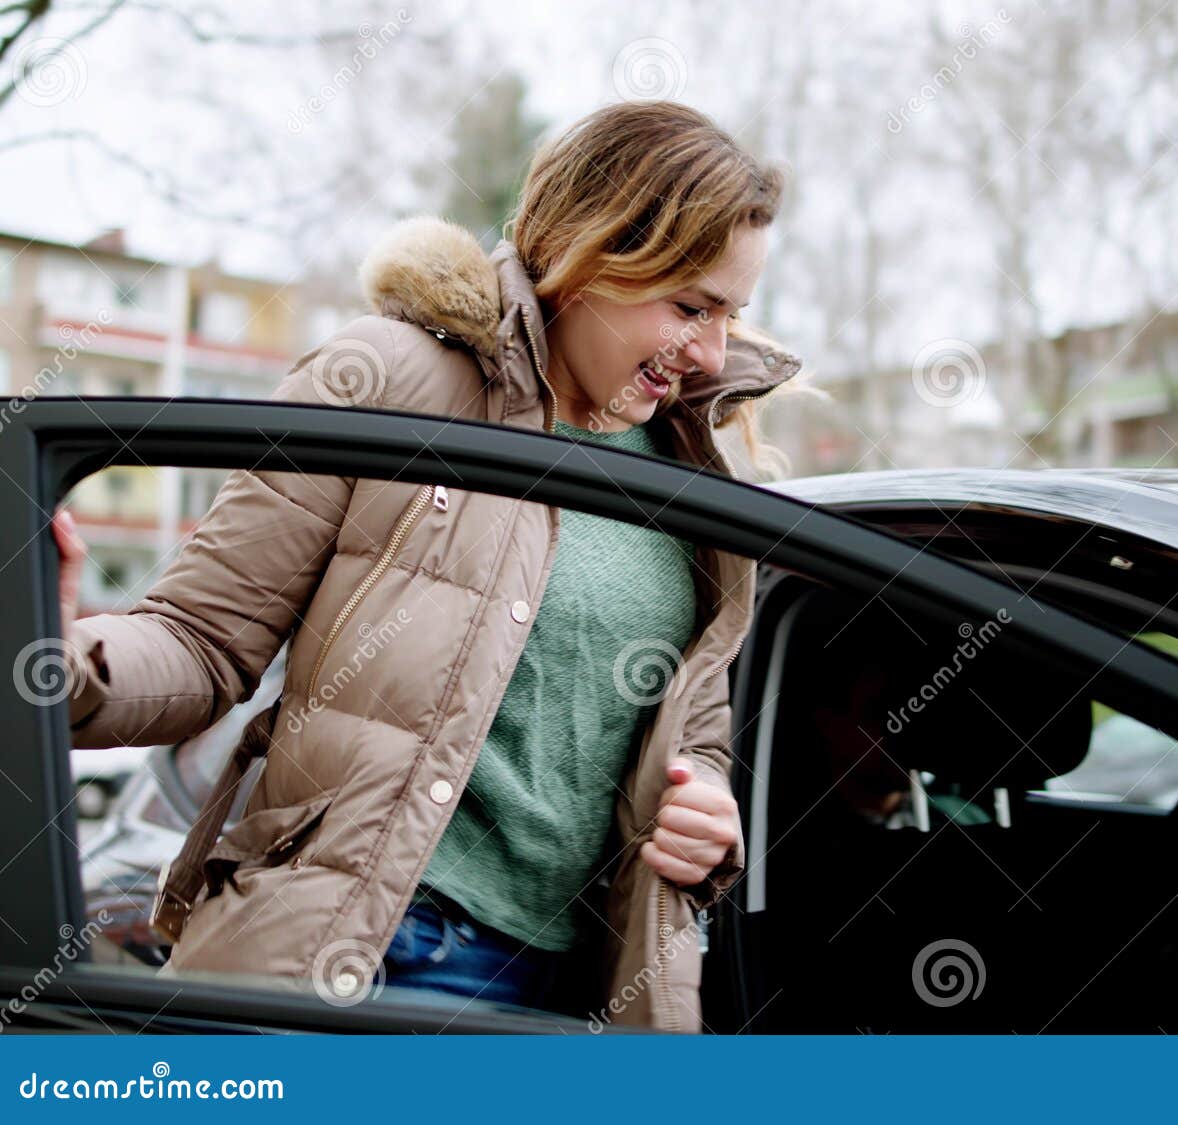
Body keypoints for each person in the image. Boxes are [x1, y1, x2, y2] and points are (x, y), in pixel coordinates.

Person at [52, 101, 803, 1032]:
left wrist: (707, 818)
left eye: (730, 315)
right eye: (690, 307)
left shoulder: (701, 485)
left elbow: (690, 741)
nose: (713, 353)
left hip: (590, 994)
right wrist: (56, 655)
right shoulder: (392, 384)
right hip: (377, 955)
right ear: (588, 255)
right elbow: (202, 644)